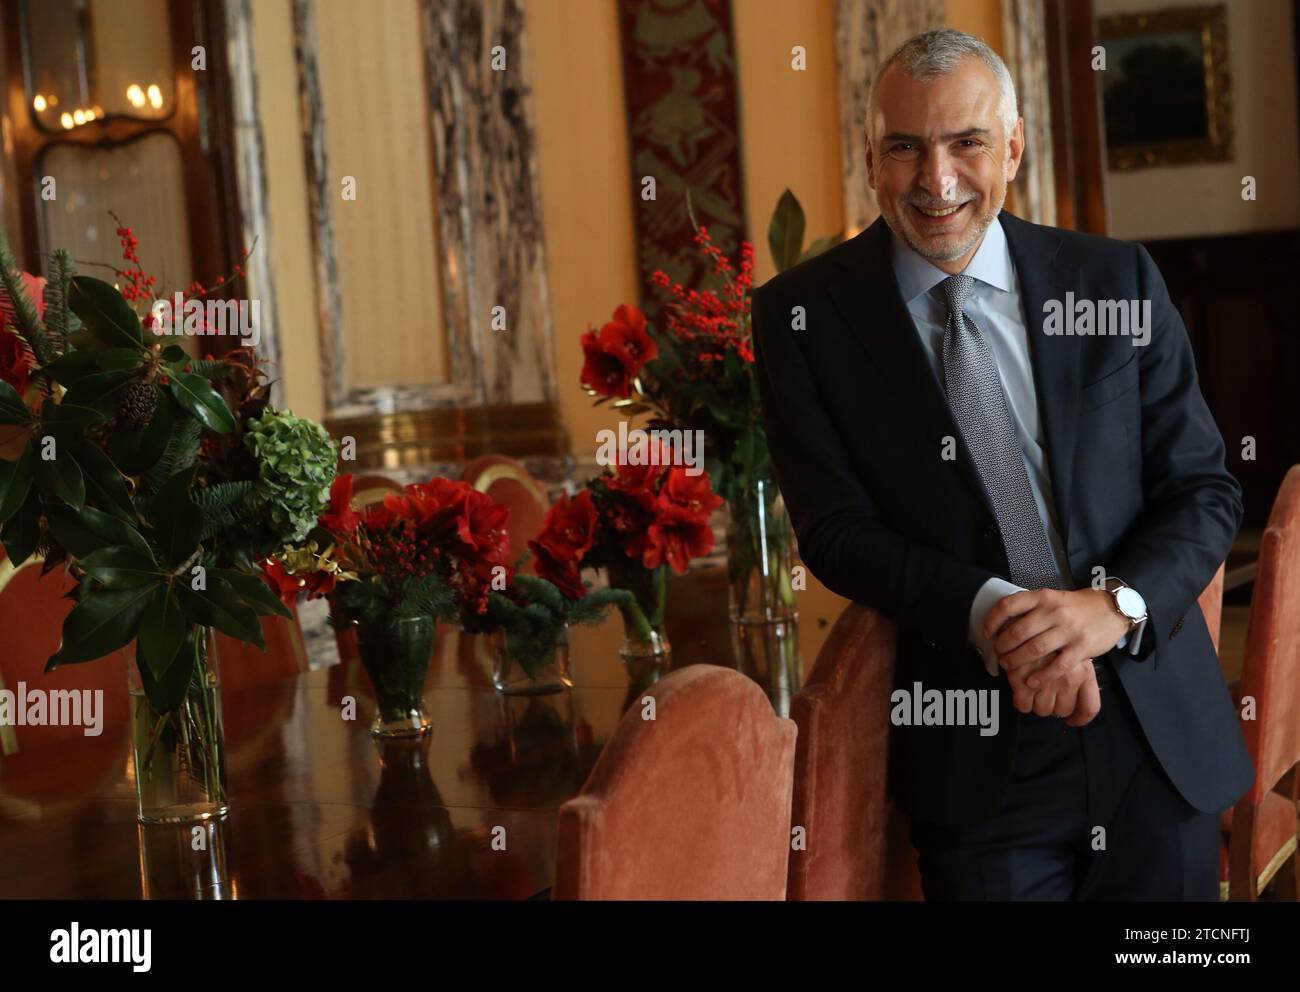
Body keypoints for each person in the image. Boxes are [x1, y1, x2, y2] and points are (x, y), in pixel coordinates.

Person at [751, 28, 1252, 900]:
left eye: (966, 142)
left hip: (1154, 738)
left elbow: (1203, 489)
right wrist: (998, 617)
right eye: (905, 146)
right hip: (980, 754)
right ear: (871, 159)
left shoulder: (1115, 282)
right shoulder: (804, 318)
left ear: (1012, 147)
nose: (935, 180)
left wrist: (1112, 606)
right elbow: (834, 533)